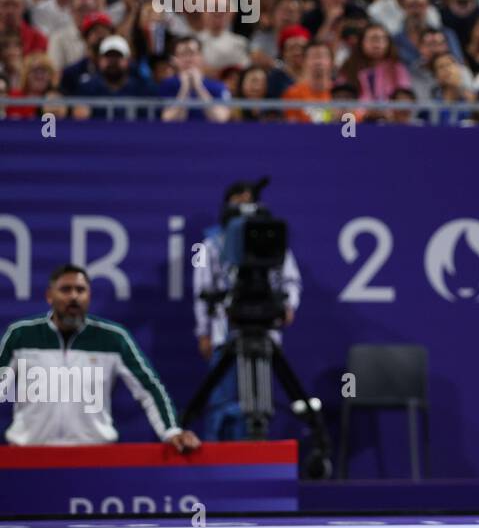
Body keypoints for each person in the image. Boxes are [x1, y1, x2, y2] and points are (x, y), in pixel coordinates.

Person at [0, 264, 201, 449]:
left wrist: (172, 431)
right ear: (49, 296)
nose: (73, 297)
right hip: (29, 453)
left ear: (89, 296)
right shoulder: (21, 335)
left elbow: (149, 388)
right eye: (65, 289)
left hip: (94, 456)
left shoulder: (113, 338)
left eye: (80, 290)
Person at [192, 183, 302, 440]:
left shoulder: (273, 240)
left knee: (258, 403)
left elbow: (290, 280)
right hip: (226, 335)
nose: (243, 208)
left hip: (265, 334)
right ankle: (216, 462)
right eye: (237, 202)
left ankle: (257, 455)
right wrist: (203, 332)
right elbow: (203, 289)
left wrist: (289, 305)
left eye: (248, 202)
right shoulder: (211, 244)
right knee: (222, 403)